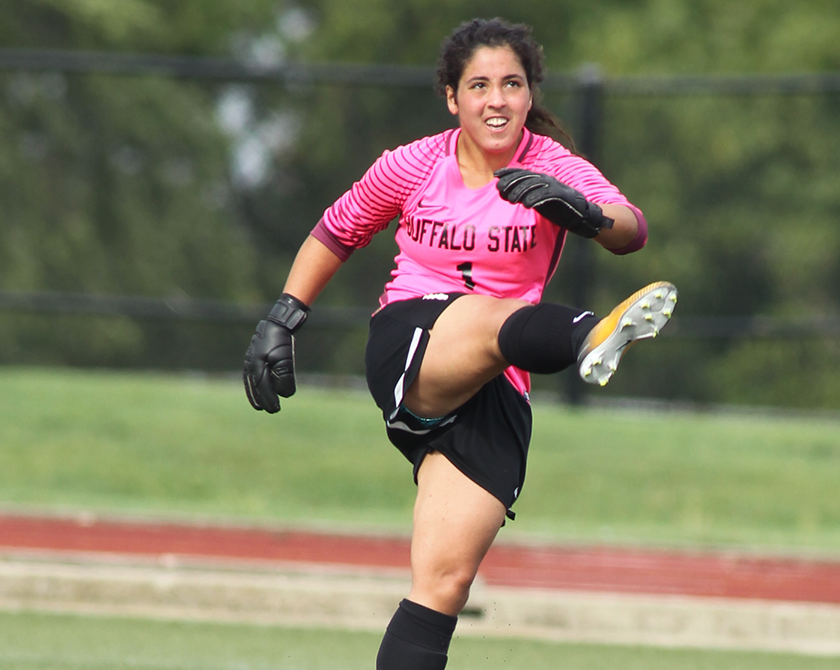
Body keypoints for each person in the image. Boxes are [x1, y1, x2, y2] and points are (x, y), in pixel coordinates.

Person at [242, 17, 677, 670]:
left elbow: (631, 230)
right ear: (452, 97)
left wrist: (581, 212)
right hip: (412, 344)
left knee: (441, 584)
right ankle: (589, 334)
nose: (495, 99)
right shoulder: (415, 163)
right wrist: (280, 318)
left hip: (497, 383)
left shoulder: (555, 166)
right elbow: (336, 231)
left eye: (511, 84)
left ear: (531, 94)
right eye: (478, 85)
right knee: (487, 317)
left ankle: (585, 337)